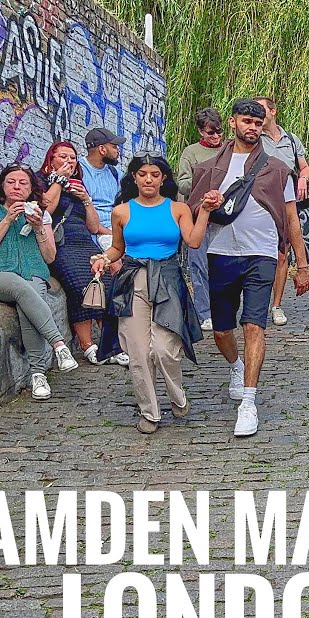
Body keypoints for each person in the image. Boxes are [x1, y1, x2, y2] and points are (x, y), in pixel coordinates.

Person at [187, 98, 309, 437]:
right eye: (246, 122)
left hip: (262, 255)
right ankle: (235, 366)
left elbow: (290, 218)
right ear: (233, 123)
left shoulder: (276, 169)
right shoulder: (209, 169)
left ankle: (249, 402)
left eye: (258, 123)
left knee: (254, 327)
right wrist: (206, 206)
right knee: (221, 331)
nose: (253, 128)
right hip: (221, 253)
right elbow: (191, 212)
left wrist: (303, 264)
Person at [91, 154, 214, 433]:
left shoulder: (178, 209)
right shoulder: (121, 211)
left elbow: (194, 241)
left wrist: (204, 210)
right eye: (143, 174)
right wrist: (103, 258)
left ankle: (177, 395)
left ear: (163, 179)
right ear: (134, 177)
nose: (149, 179)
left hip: (168, 279)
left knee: (164, 349)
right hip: (131, 282)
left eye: (155, 174)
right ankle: (150, 412)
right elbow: (118, 248)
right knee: (138, 352)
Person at [0, 163, 80, 400]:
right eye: (11, 182)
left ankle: (38, 375)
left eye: (23, 183)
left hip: (33, 271)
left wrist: (39, 226)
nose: (17, 187)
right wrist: (9, 219)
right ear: (2, 185)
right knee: (22, 288)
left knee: (29, 301)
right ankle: (59, 345)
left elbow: (50, 256)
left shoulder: (41, 213)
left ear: (31, 188)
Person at [38, 141, 127, 367]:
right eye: (63, 157)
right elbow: (45, 209)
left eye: (72, 158)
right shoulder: (40, 181)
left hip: (84, 241)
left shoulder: (78, 185)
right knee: (79, 285)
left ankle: (111, 345)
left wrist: (86, 200)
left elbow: (93, 226)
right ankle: (89, 346)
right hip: (61, 243)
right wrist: (58, 180)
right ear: (51, 160)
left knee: (105, 282)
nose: (69, 162)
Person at [254, 96, 309, 327]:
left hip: (286, 199)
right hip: (262, 201)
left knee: (281, 253)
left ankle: (276, 305)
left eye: (261, 110)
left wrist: (303, 179)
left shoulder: (291, 139)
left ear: (273, 111)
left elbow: (304, 166)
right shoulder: (254, 139)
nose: (257, 114)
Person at [175, 107, 225, 331]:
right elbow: (183, 184)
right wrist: (204, 177)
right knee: (199, 267)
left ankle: (223, 309)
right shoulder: (191, 152)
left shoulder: (229, 151)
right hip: (198, 216)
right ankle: (204, 313)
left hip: (225, 217)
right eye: (210, 132)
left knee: (224, 267)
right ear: (200, 132)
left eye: (218, 132)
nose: (215, 137)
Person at [78, 127, 123, 250]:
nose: (117, 151)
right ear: (102, 149)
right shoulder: (79, 170)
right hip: (93, 231)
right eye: (114, 147)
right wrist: (112, 234)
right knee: (115, 260)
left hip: (117, 228)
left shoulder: (115, 173)